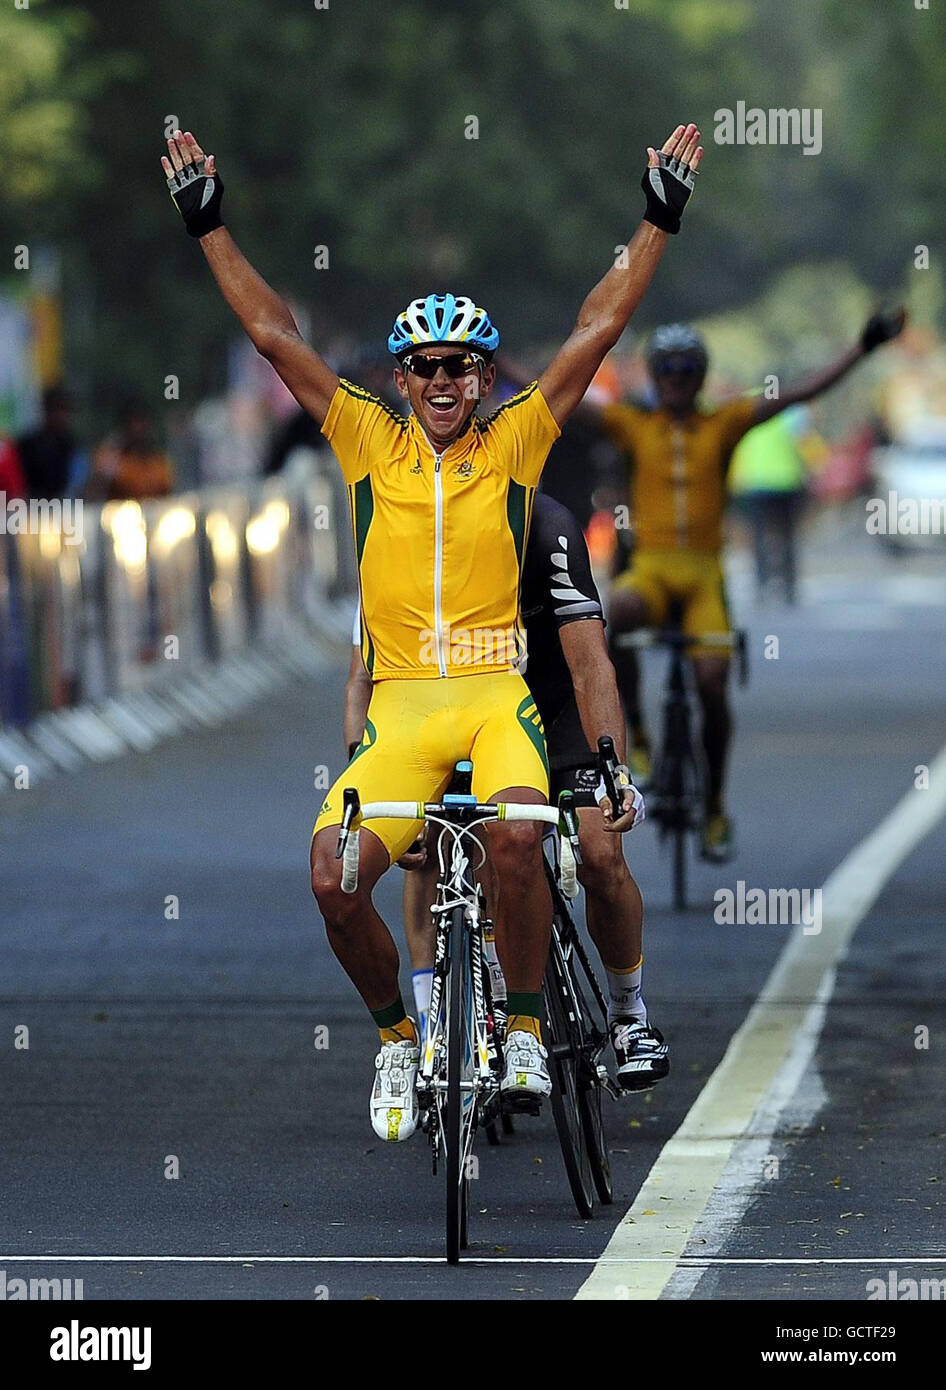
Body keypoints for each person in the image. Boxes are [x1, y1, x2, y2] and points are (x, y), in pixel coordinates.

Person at [162, 119, 702, 1140]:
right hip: (405, 707)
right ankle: (399, 1046)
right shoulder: (366, 439)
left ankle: (532, 1031)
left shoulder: (517, 441)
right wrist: (210, 228)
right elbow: (276, 334)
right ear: (401, 379)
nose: (445, 382)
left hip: (498, 695)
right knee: (332, 878)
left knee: (515, 835)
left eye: (463, 366)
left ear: (488, 377)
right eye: (424, 367)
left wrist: (656, 220)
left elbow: (597, 327)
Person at [346, 492, 668, 1092]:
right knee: (455, 845)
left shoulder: (546, 524)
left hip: (555, 700)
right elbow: (365, 675)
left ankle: (629, 1015)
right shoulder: (405, 516)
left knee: (600, 852)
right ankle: (473, 1001)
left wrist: (613, 772)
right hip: (459, 712)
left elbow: (591, 664)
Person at [589, 313, 906, 863]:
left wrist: (863, 347)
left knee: (713, 681)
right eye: (668, 369)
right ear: (656, 376)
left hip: (705, 572)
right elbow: (553, 390)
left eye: (688, 369)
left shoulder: (726, 421)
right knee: (619, 608)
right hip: (654, 569)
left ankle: (713, 805)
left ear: (702, 375)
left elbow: (802, 390)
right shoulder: (631, 425)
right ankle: (636, 735)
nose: (678, 378)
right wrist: (490, 362)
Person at [88, 403, 175, 501]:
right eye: (135, 422)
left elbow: (168, 492)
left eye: (143, 422)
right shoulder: (110, 457)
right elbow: (95, 490)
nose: (140, 428)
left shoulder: (158, 461)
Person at [17, 385, 86, 499]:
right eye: (56, 409)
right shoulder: (27, 446)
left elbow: (78, 486)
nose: (60, 416)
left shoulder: (74, 447)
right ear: (46, 410)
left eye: (65, 410)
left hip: (66, 510)